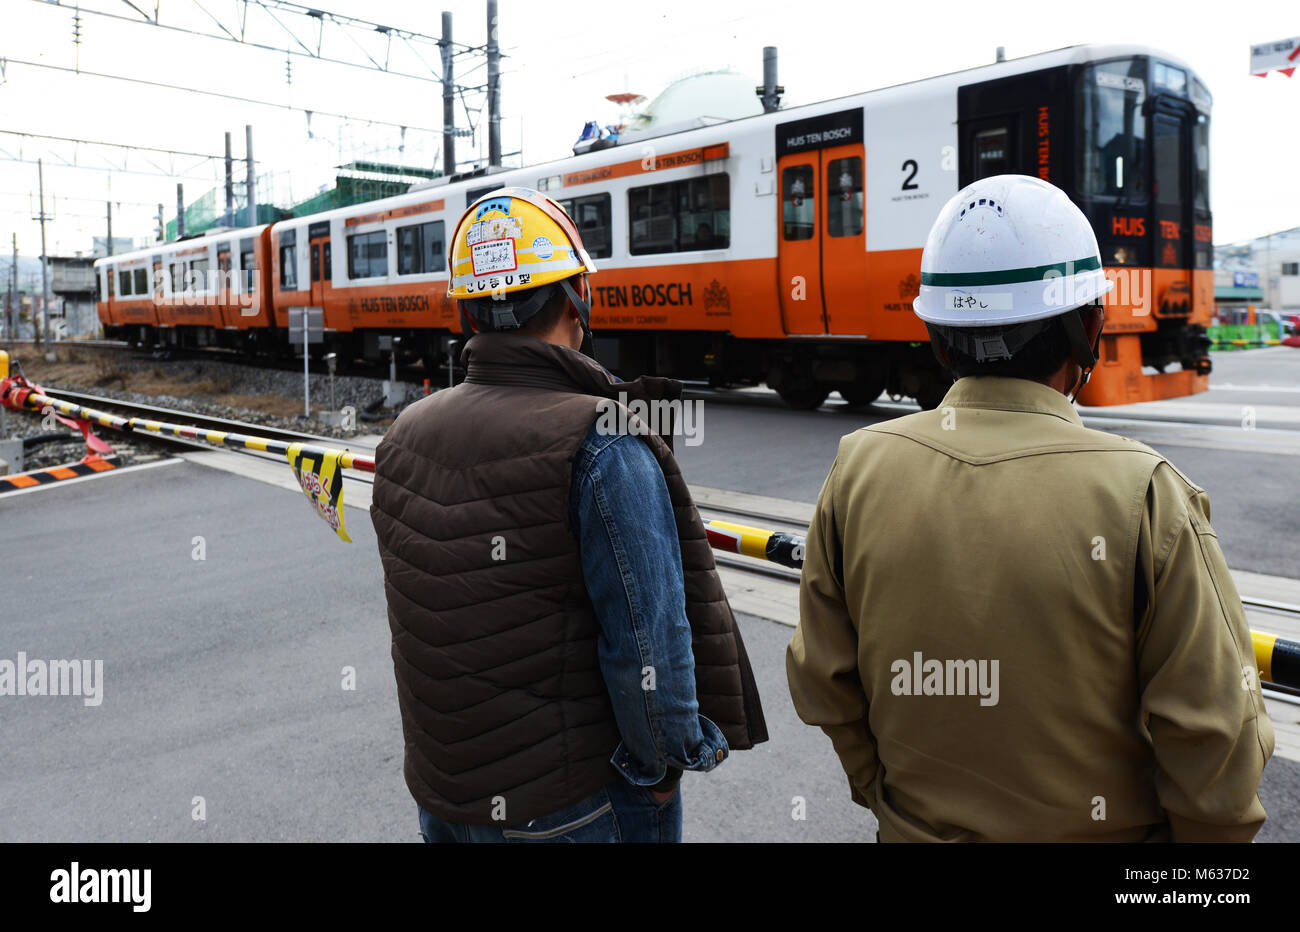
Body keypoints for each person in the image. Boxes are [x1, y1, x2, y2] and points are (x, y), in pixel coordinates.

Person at [786, 174, 1273, 842]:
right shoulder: (1147, 494)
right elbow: (1218, 739)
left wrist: (891, 804)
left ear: (936, 333)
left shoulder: (857, 470)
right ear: (1091, 326)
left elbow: (824, 682)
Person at [371, 187, 767, 843]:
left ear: (469, 307)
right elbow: (648, 649)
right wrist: (665, 766)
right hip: (572, 807)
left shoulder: (405, 435)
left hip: (446, 797)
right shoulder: (602, 441)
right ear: (576, 296)